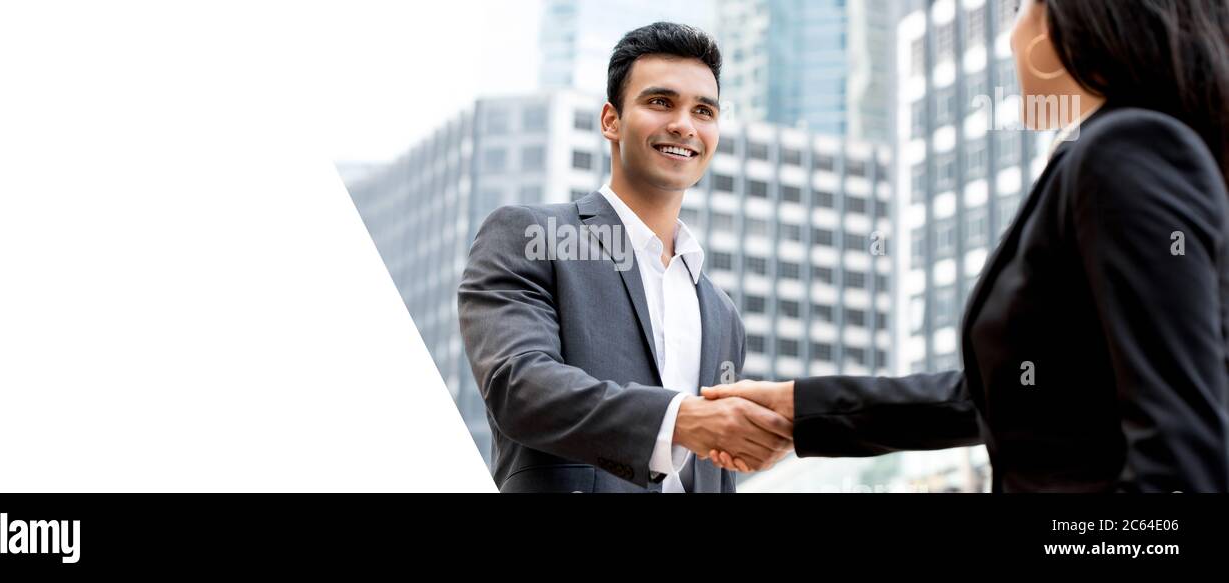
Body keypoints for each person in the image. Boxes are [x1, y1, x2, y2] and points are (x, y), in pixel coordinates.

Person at [704, 0, 1229, 492]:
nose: (1011, 33)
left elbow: (1182, 458)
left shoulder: (1128, 150)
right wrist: (802, 410)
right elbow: (1022, 395)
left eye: (1021, 7)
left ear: (1063, 17)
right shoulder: (1130, 152)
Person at [458, 22, 792, 493]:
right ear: (611, 120)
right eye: (660, 102)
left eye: (704, 110)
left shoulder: (723, 314)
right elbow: (520, 387)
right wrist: (678, 420)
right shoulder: (530, 236)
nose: (684, 124)